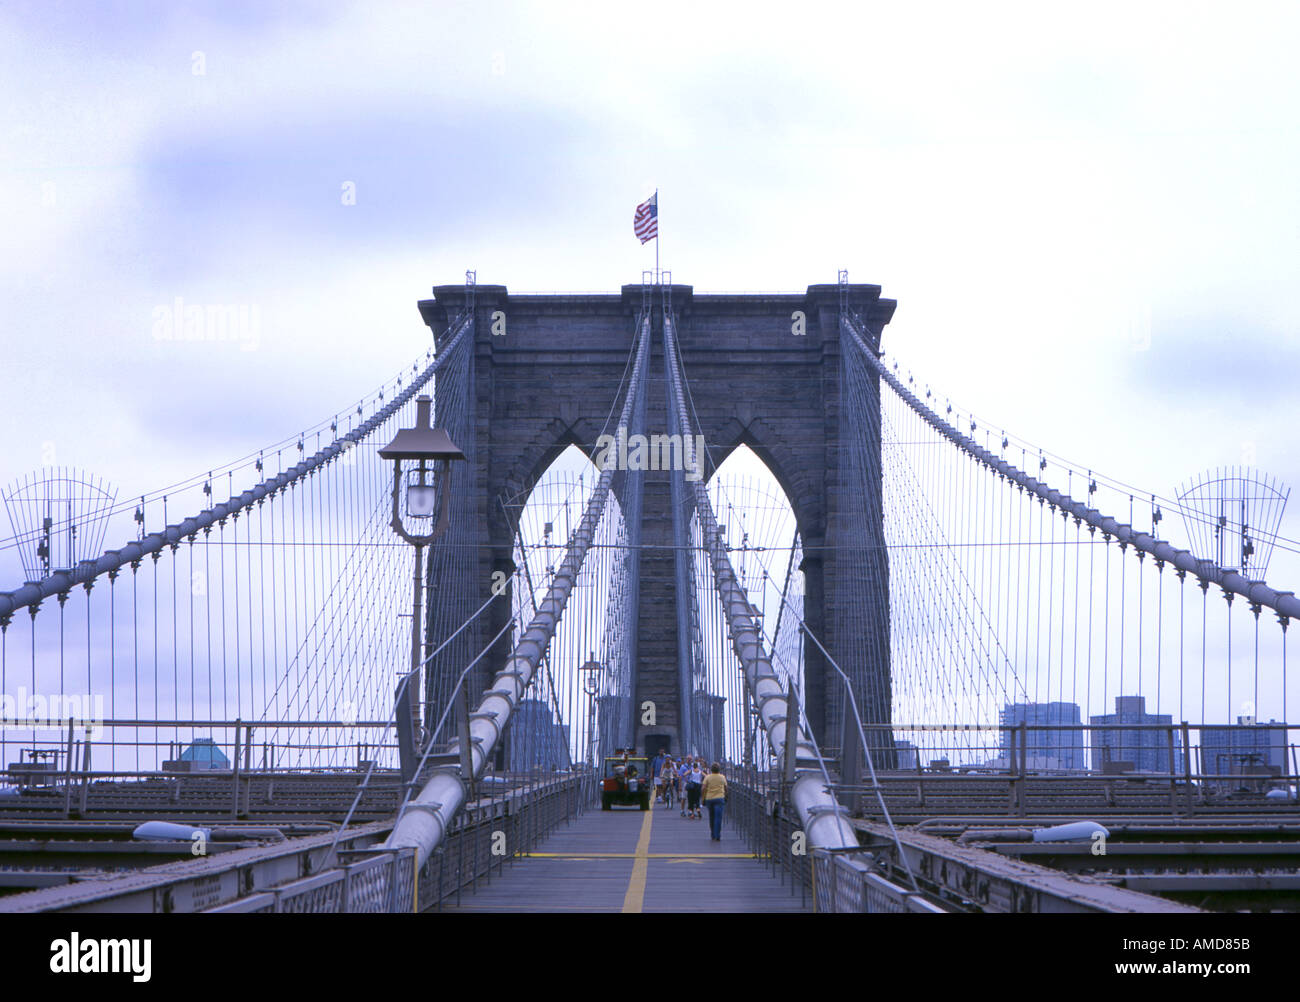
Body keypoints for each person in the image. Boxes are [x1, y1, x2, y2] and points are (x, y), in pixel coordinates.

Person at [701, 762, 727, 841]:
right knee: (718, 818)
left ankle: (712, 834)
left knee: (711, 817)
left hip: (710, 799)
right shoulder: (722, 777)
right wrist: (726, 796)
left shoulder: (708, 777)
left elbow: (703, 788)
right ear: (719, 769)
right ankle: (717, 835)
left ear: (711, 769)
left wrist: (703, 798)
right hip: (720, 798)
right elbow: (726, 788)